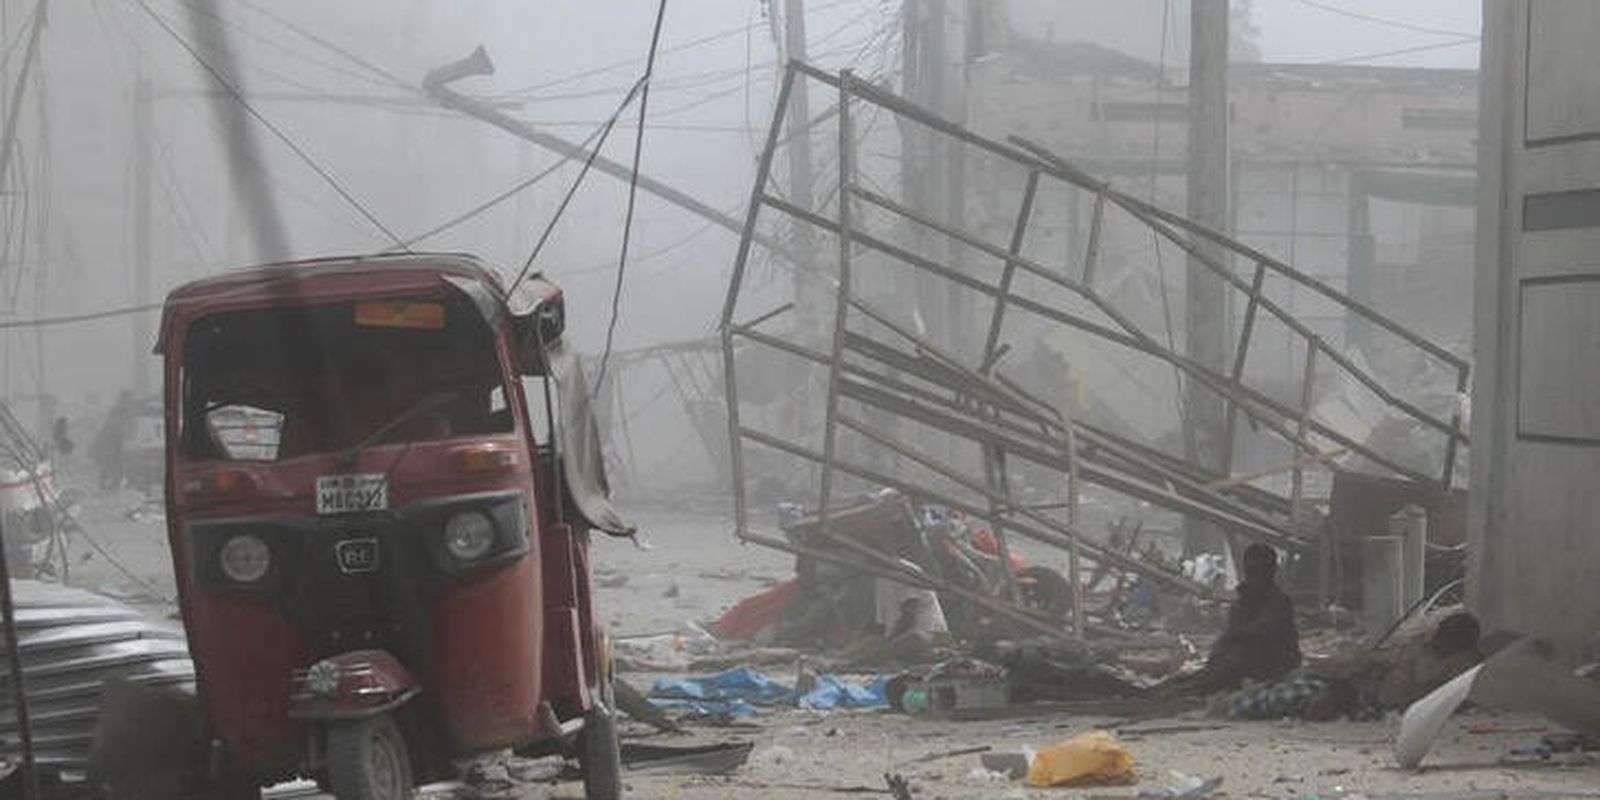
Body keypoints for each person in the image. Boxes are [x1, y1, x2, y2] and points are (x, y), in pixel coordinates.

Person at [1228, 611, 1483, 721]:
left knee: (1288, 694)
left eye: (1445, 635)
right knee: (1291, 686)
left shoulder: (1460, 665)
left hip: (1370, 702)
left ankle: (1232, 706)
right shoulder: (1422, 649)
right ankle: (1232, 701)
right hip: (1360, 691)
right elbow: (1372, 663)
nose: (1436, 637)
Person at [1165, 543, 1301, 695]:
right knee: (1189, 682)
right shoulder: (1243, 600)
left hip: (1272, 667)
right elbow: (1230, 636)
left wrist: (1225, 661)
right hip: (1245, 664)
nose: (1255, 578)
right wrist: (1215, 660)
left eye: (1260, 571)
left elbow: (1255, 637)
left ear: (1271, 572)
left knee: (1215, 677)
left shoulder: (1279, 602)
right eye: (1251, 572)